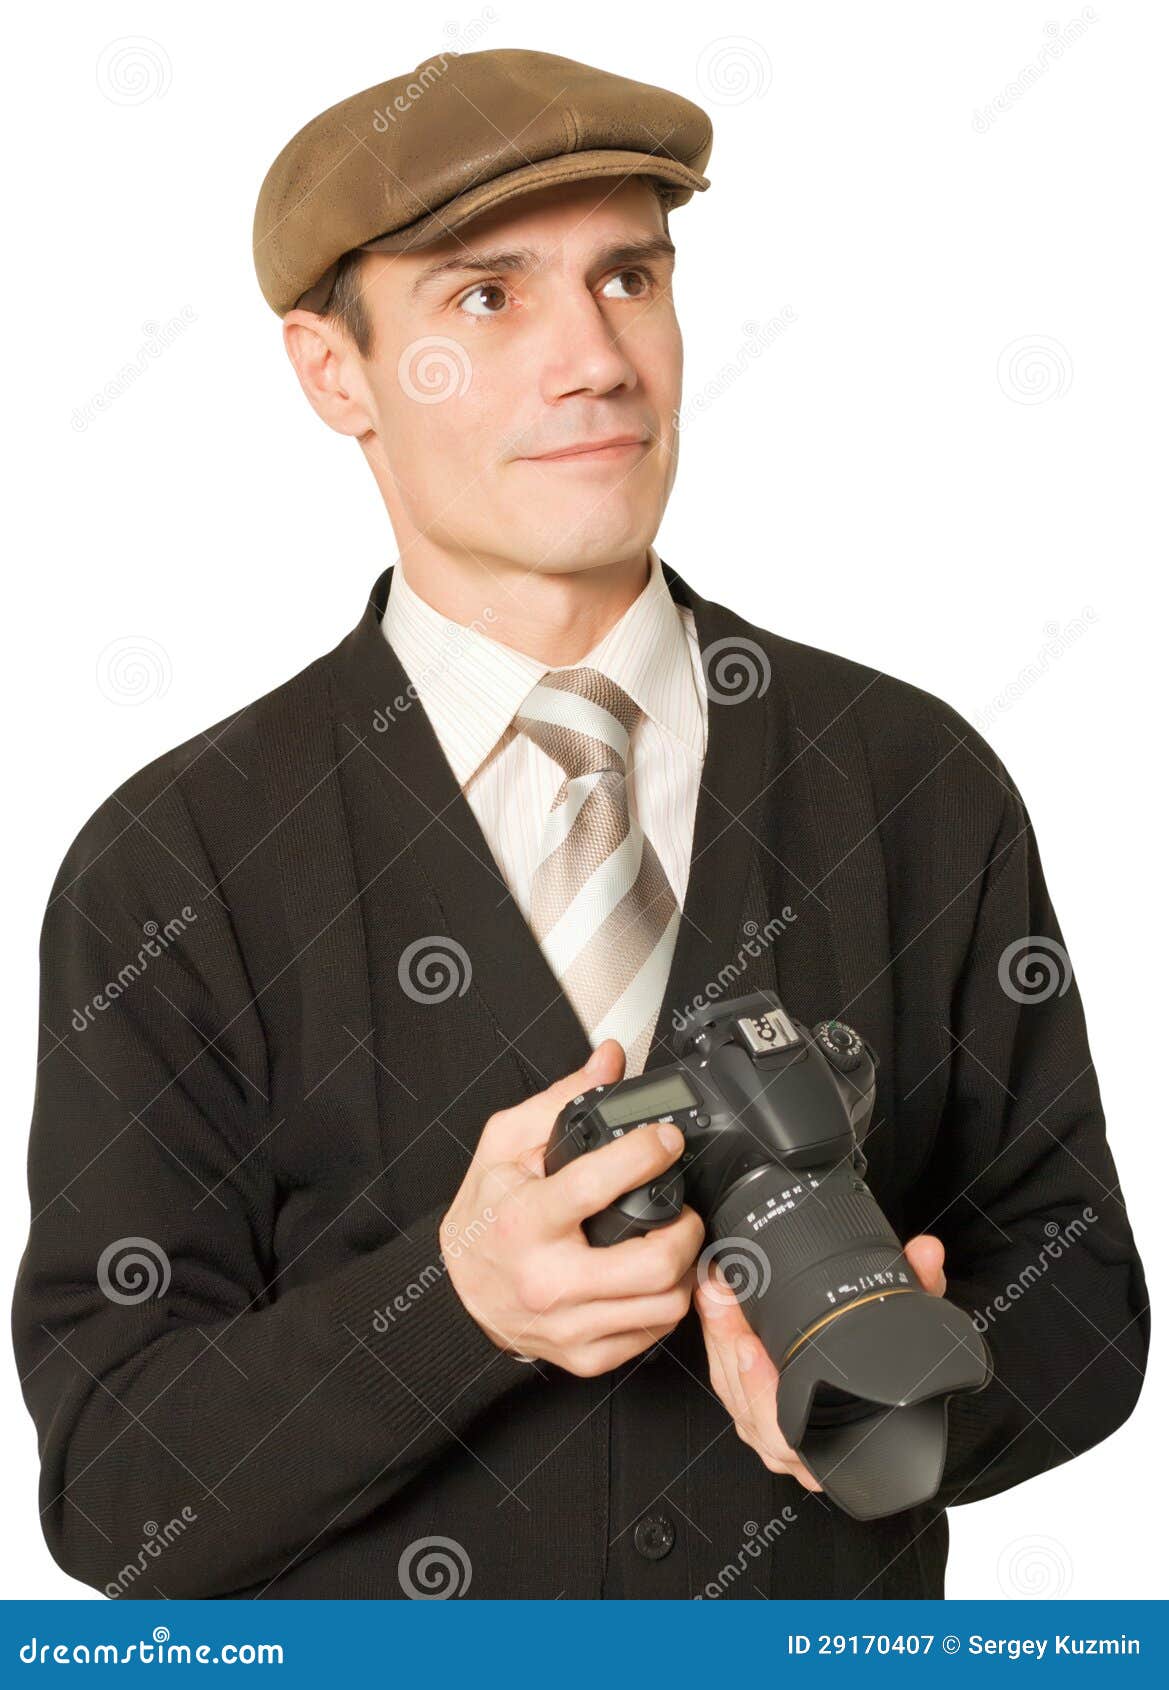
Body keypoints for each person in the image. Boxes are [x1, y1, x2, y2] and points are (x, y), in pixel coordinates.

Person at [12, 48, 1147, 1601]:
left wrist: (922, 1387)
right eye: (487, 297)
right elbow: (113, 1477)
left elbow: (1083, 1285)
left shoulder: (908, 781)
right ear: (334, 373)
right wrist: (451, 1307)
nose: (595, 360)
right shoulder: (175, 863)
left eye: (628, 276)